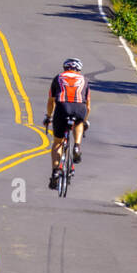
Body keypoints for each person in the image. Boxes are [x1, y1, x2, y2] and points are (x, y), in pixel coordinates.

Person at [43, 58, 90, 189]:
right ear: (78, 70)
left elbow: (51, 101)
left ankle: (55, 172)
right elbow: (88, 106)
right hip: (79, 108)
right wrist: (84, 120)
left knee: (58, 142)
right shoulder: (84, 80)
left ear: (65, 68)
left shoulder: (58, 78)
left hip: (62, 108)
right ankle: (76, 146)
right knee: (79, 123)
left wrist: (48, 116)